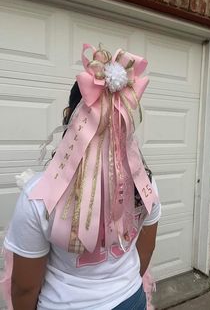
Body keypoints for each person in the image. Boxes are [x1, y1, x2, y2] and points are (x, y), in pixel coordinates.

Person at [1, 44, 161, 310]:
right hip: (131, 299)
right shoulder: (145, 184)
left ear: (69, 117)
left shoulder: (40, 194)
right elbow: (144, 253)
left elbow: (24, 287)